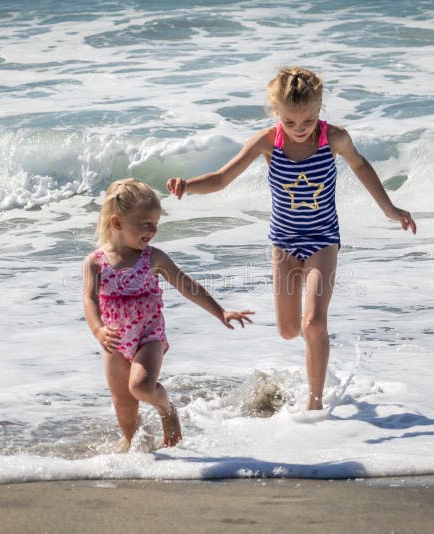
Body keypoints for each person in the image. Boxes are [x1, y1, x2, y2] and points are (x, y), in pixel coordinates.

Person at [167, 66, 416, 411]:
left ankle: (314, 407)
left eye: (308, 121)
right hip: (283, 243)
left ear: (319, 110)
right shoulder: (268, 141)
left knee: (313, 323)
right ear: (276, 115)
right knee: (288, 330)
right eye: (290, 122)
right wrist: (188, 186)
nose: (300, 130)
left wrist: (390, 209)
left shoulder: (335, 138)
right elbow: (223, 178)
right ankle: (315, 360)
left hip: (322, 240)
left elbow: (360, 166)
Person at [83, 178, 254, 449]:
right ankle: (138, 452)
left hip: (148, 336)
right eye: (146, 224)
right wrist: (98, 330)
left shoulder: (153, 258)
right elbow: (89, 300)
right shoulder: (95, 262)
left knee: (139, 387)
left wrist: (220, 312)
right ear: (117, 223)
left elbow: (186, 285)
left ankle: (166, 409)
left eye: (156, 223)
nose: (153, 230)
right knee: (123, 404)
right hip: (114, 341)